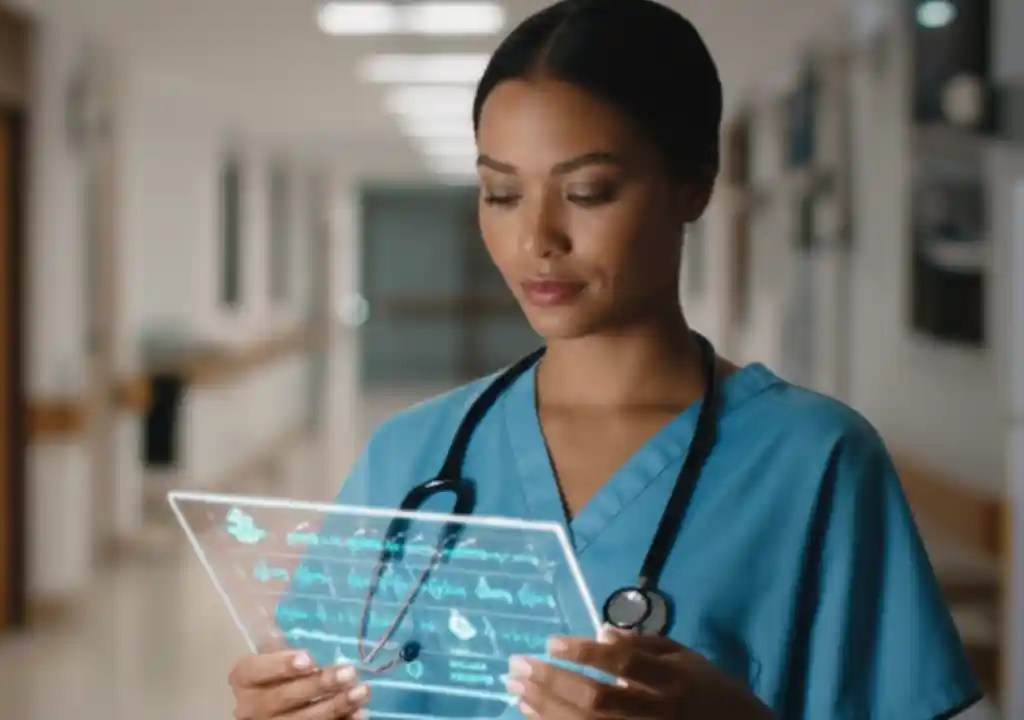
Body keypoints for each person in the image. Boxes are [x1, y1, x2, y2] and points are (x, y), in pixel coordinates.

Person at [227, 0, 982, 717]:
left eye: (587, 192)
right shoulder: (410, 455)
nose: (537, 240)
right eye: (500, 194)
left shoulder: (815, 462)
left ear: (694, 185)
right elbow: (320, 682)